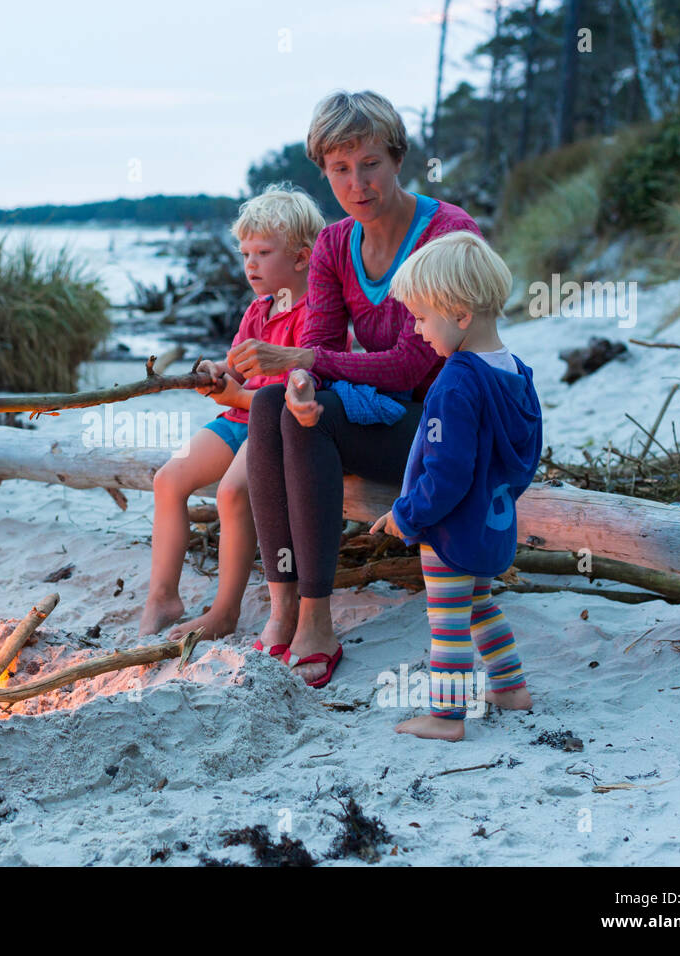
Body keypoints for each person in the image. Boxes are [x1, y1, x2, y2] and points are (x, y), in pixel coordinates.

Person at [231, 89, 485, 687]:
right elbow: (319, 347)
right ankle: (284, 605)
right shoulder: (332, 243)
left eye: (369, 163)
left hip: (446, 425)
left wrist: (300, 359)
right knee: (274, 403)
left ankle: (316, 620)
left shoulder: (447, 232)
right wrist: (298, 380)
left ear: (397, 159)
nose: (357, 183)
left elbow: (406, 366)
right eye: (339, 169)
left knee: (305, 411)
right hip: (391, 416)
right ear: (324, 171)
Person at [369, 230, 542, 740]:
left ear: (461, 315)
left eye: (422, 317)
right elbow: (526, 457)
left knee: (446, 620)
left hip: (449, 530)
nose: (418, 330)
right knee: (481, 604)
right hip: (493, 522)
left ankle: (446, 717)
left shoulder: (455, 382)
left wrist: (407, 514)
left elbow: (446, 474)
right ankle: (510, 688)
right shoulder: (518, 373)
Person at [138, 184, 325, 640]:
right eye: (245, 254)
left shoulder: (316, 313)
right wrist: (214, 371)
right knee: (168, 479)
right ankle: (162, 596)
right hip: (239, 417)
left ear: (301, 259)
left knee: (230, 494)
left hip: (277, 426)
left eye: (263, 252)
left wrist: (238, 397)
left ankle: (225, 611)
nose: (251, 265)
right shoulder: (258, 310)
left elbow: (294, 395)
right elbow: (236, 363)